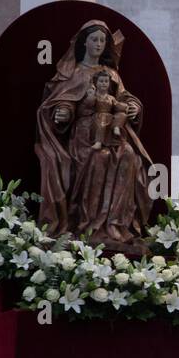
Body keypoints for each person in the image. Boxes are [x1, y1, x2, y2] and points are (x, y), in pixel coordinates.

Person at [34, 20, 154, 250]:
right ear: (84, 42)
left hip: (113, 132)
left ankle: (115, 225)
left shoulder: (112, 74)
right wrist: (63, 112)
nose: (99, 44)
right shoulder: (75, 73)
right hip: (83, 136)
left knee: (129, 156)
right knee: (99, 158)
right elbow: (63, 102)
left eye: (102, 40)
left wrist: (133, 106)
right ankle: (88, 226)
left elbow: (124, 97)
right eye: (94, 39)